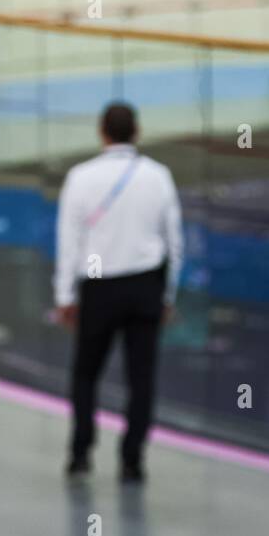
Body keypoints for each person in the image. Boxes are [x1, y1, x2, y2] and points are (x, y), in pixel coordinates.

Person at [53, 102, 183, 482]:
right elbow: (174, 242)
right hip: (145, 286)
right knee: (141, 378)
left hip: (99, 288)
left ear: (102, 131)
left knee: (85, 375)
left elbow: (69, 241)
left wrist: (65, 296)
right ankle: (132, 459)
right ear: (136, 131)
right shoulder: (158, 177)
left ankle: (80, 453)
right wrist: (167, 294)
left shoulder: (80, 177)